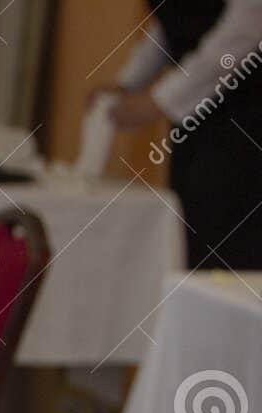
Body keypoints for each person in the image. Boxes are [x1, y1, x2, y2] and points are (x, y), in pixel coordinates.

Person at [105, 0, 262, 268]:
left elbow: (244, 30)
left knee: (234, 245)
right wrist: (128, 83)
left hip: (246, 120)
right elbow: (170, 24)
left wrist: (158, 100)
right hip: (194, 125)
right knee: (192, 232)